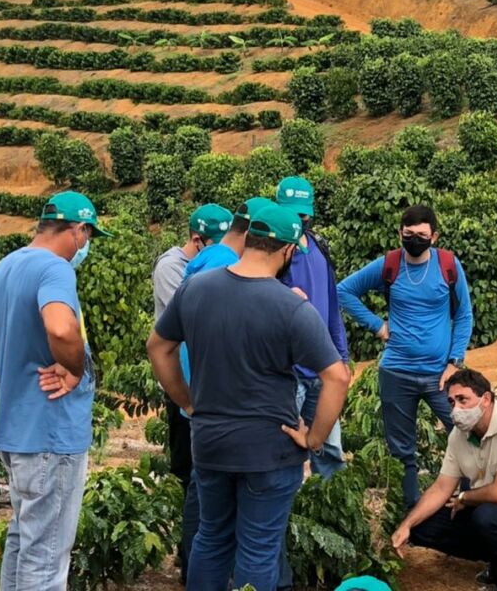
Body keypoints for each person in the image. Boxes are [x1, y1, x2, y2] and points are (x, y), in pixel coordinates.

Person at [147, 204, 350, 591]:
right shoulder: (291, 306)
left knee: (211, 538)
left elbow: (158, 347)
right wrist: (314, 439)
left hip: (210, 442)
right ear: (287, 250)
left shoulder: (196, 288)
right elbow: (337, 376)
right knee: (258, 549)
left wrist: (187, 402)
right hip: (269, 451)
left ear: (249, 239)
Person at [0, 191, 111, 591]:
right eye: (89, 236)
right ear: (78, 230)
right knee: (45, 560)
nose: (86, 245)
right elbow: (60, 327)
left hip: (17, 430)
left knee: (23, 540)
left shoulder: (5, 266)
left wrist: (9, 383)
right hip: (51, 434)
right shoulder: (55, 269)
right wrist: (74, 370)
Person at [338, 204, 474, 509]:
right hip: (396, 371)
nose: (414, 239)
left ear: (434, 236)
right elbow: (344, 290)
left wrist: (455, 362)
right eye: (409, 233)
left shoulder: (448, 265)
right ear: (400, 233)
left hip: (440, 374)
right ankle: (410, 515)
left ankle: (467, 503)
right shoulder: (390, 264)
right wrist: (377, 326)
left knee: (465, 433)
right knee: (402, 451)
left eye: (422, 235)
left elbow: (464, 315)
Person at [391, 369, 497, 591]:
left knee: (487, 517)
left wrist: (465, 497)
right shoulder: (459, 435)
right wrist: (406, 525)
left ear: (486, 399)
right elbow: (441, 487)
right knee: (421, 524)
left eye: (463, 400)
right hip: (489, 507)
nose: (456, 409)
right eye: (452, 402)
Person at [152, 202, 233, 583]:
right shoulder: (172, 268)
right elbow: (191, 320)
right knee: (190, 476)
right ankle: (190, 562)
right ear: (198, 240)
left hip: (207, 384)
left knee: (205, 479)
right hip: (183, 385)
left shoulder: (208, 267)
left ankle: (205, 559)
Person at [275, 176, 349, 477]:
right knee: (281, 447)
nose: (298, 221)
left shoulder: (319, 247)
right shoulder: (274, 252)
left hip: (322, 367)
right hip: (288, 371)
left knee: (329, 449)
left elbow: (332, 305)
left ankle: (328, 500)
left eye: (302, 215)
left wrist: (341, 356)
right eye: (292, 214)